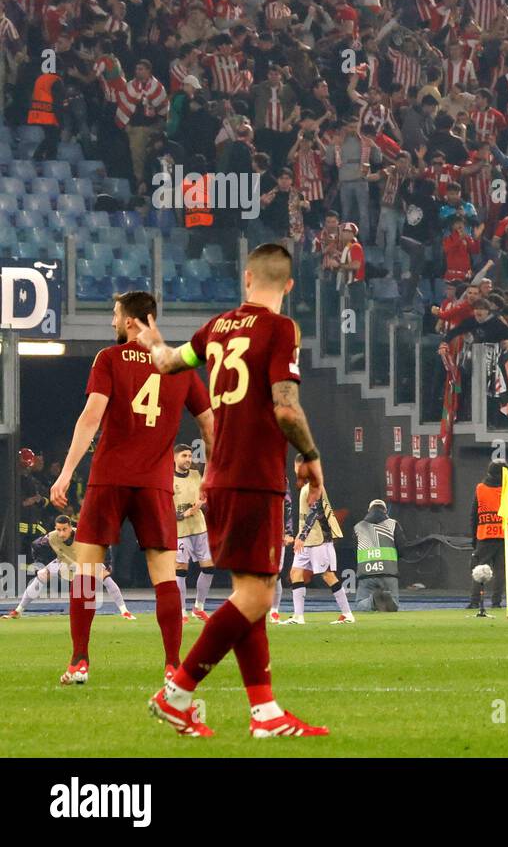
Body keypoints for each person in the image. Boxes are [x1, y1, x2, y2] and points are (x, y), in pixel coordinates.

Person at [139, 243, 330, 737]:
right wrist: (311, 457)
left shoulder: (216, 328)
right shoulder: (281, 328)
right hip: (254, 477)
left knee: (253, 592)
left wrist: (155, 340)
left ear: (247, 279)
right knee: (258, 596)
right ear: (289, 285)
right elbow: (286, 409)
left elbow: (165, 362)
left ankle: (264, 713)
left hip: (219, 475)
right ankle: (177, 692)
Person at [48, 292, 215, 687]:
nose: (111, 322)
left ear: (129, 321)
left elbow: (92, 416)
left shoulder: (109, 359)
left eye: (114, 314)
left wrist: (67, 471)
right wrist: (211, 474)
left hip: (108, 477)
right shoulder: (180, 368)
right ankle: (173, 666)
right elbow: (210, 424)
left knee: (86, 572)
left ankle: (80, 662)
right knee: (164, 576)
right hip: (156, 484)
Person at [2, 516, 134, 621]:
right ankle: (18, 611)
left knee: (105, 577)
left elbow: (104, 544)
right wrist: (39, 564)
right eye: (59, 529)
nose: (61, 533)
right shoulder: (51, 537)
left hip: (86, 561)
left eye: (64, 529)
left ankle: (125, 611)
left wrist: (108, 564)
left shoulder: (84, 534)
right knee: (42, 574)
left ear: (71, 527)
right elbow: (35, 545)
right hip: (64, 562)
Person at [281, 455, 354, 626]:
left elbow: (315, 512)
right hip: (308, 540)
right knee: (295, 573)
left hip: (319, 539)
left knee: (327, 575)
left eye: (296, 465)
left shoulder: (314, 485)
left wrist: (302, 536)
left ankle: (347, 613)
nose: (295, 468)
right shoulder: (308, 486)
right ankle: (298, 616)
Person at [173, 443, 216, 622]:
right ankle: (181, 611)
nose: (188, 459)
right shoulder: (168, 479)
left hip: (199, 528)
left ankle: (198, 607)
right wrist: (184, 514)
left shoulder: (196, 474)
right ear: (174, 458)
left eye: (190, 456)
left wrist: (202, 503)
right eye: (184, 456)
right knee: (181, 570)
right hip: (180, 531)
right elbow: (164, 511)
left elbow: (203, 498)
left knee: (209, 568)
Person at [468, 461, 508, 610]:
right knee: (501, 571)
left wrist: (474, 537)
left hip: (485, 535)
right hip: (505, 536)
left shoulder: (481, 488)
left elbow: (473, 515)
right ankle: (496, 602)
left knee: (479, 570)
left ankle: (474, 601)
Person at [353, 499, 403, 612]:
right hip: (389, 573)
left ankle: (373, 601)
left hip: (367, 573)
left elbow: (354, 552)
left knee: (360, 604)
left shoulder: (358, 527)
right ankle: (386, 601)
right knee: (393, 603)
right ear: (385, 511)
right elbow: (402, 549)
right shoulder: (393, 524)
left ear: (368, 510)